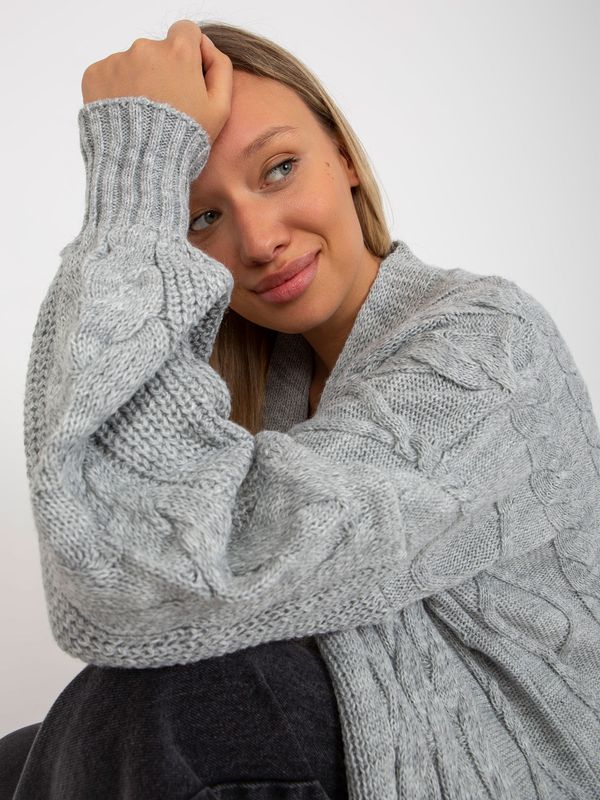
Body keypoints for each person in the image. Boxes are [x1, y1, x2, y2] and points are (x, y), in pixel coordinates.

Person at [2, 16, 600, 800]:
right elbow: (102, 556)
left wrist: (136, 159)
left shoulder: (488, 345)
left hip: (515, 760)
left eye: (278, 168)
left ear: (344, 158)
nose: (257, 240)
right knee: (23, 755)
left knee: (167, 705)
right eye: (201, 218)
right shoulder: (264, 389)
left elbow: (156, 577)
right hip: (367, 721)